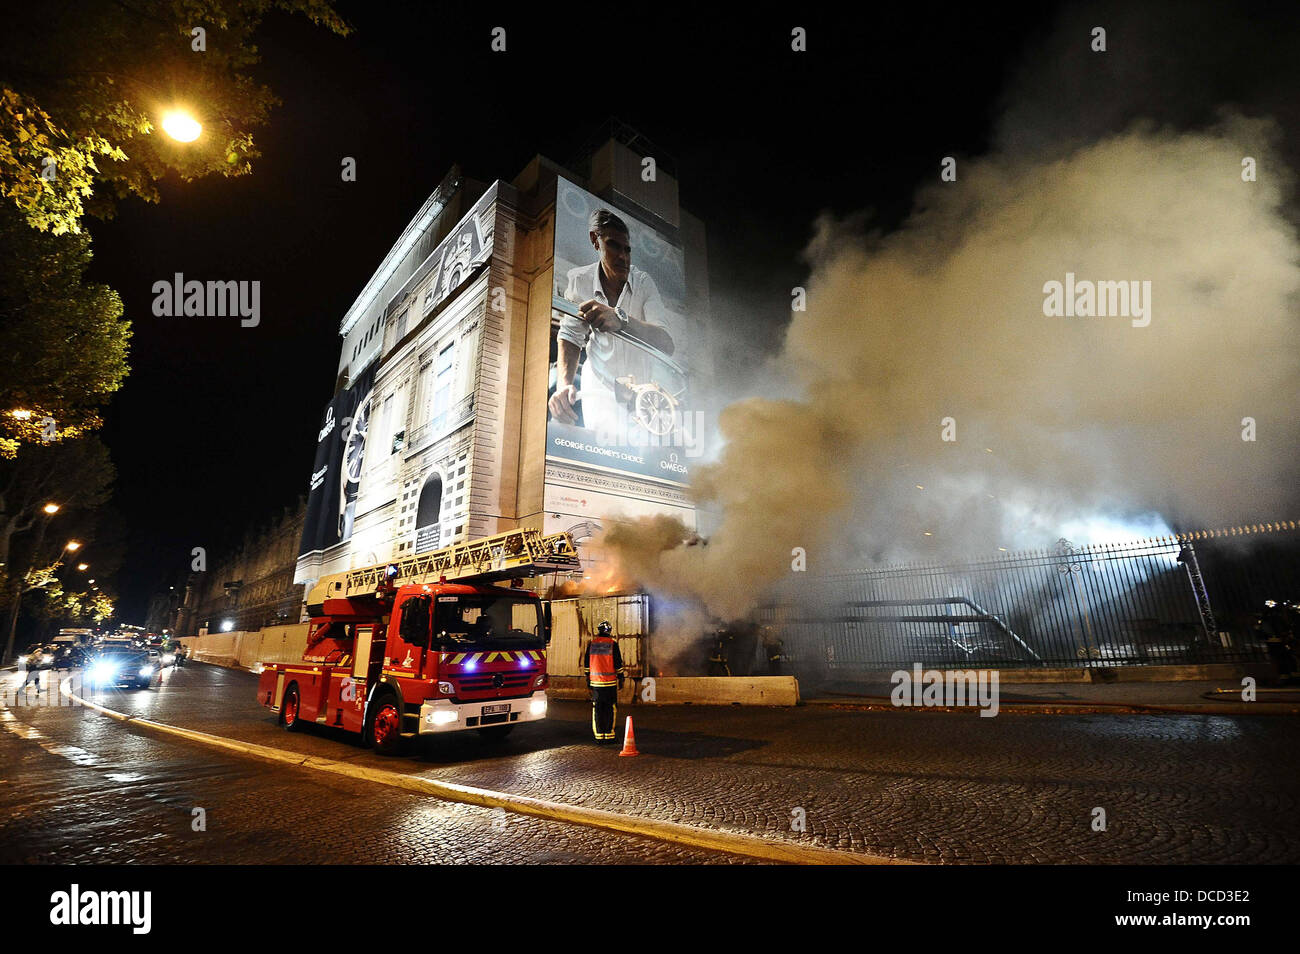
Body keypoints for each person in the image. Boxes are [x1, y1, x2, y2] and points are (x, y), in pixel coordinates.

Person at [549, 209, 676, 436]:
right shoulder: (580, 279)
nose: (622, 257)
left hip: (642, 390)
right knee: (605, 452)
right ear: (595, 241)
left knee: (641, 458)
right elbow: (570, 335)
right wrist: (564, 385)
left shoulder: (644, 283)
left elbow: (667, 343)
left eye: (627, 249)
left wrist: (621, 320)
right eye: (614, 246)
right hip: (600, 385)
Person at [581, 620, 624, 743]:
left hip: (595, 684)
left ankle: (599, 737)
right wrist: (621, 678)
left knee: (598, 709)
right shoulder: (612, 644)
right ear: (609, 631)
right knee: (610, 709)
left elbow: (586, 664)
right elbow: (618, 663)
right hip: (610, 683)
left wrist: (587, 679)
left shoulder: (592, 644)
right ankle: (609, 735)